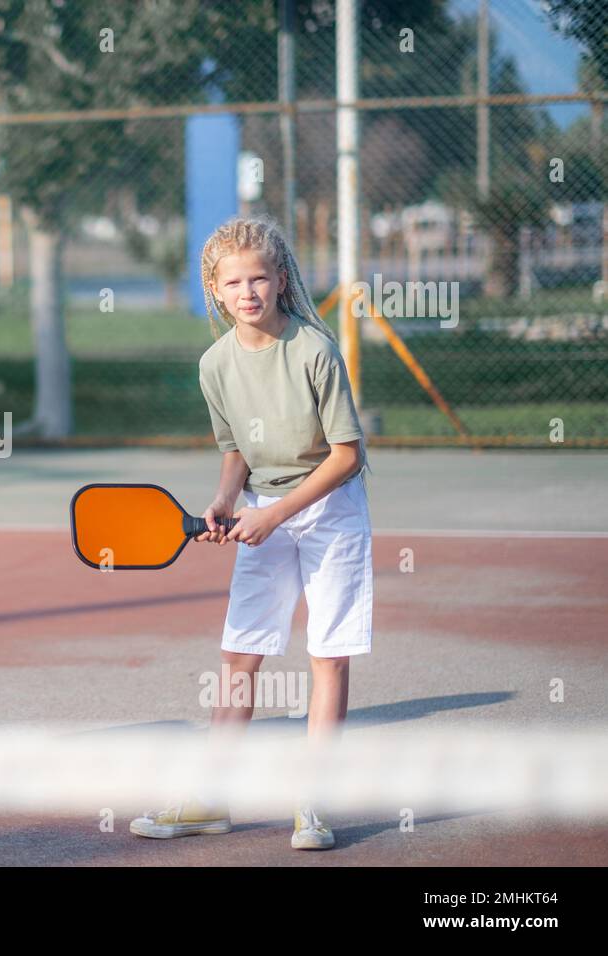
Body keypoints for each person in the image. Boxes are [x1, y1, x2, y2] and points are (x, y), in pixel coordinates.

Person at [130, 216, 371, 850]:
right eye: (233, 281)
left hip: (330, 508)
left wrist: (274, 513)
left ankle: (313, 802)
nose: (248, 291)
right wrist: (223, 499)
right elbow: (236, 449)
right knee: (240, 655)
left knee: (328, 654)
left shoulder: (315, 351)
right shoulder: (214, 365)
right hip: (264, 509)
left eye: (259, 277)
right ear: (214, 290)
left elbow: (346, 455)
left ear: (282, 280)